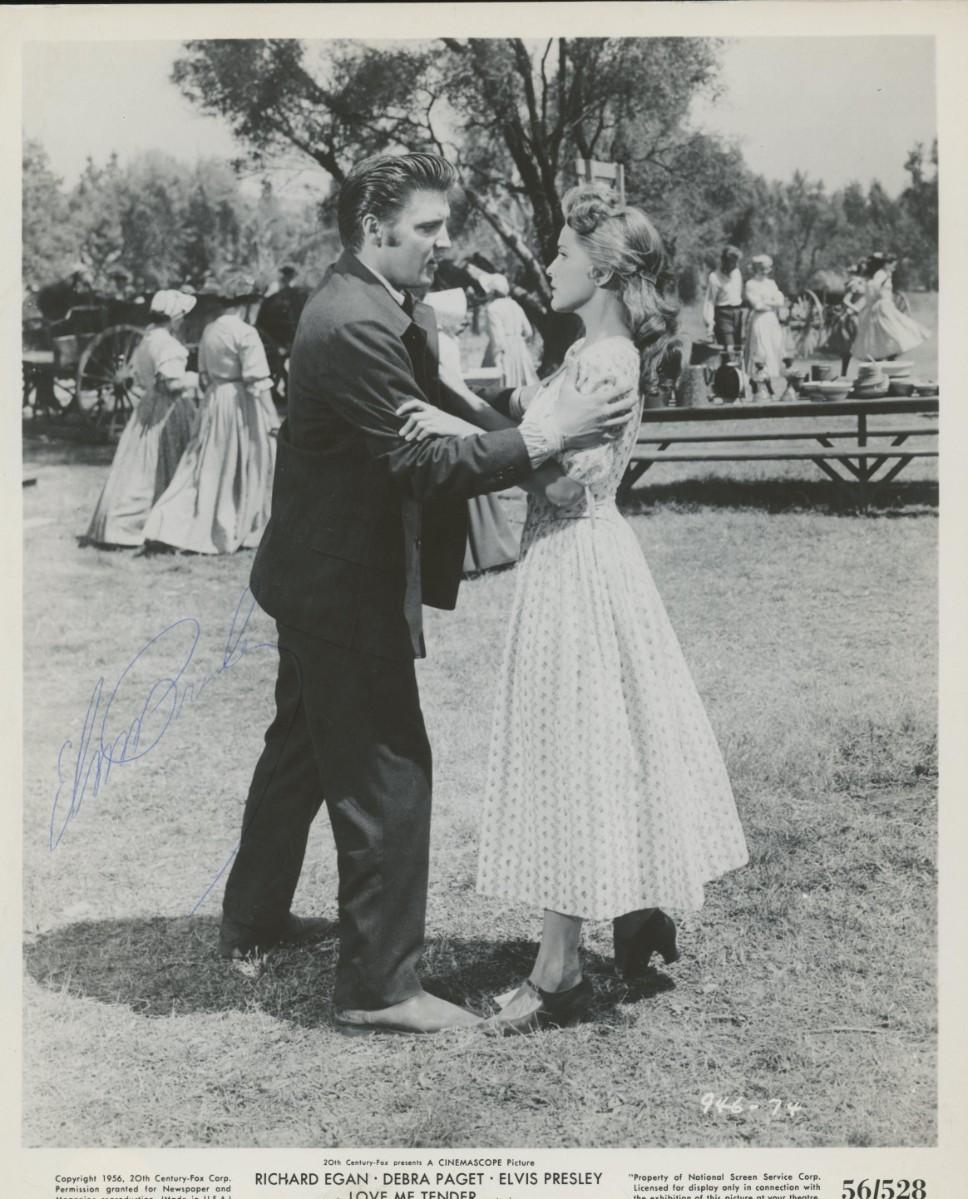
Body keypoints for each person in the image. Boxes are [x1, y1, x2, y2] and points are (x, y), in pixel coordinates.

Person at [218, 152, 634, 1037]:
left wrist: (530, 440)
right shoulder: (353, 322)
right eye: (430, 229)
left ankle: (252, 915)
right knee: (388, 770)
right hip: (341, 582)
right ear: (378, 229)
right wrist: (541, 442)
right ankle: (379, 988)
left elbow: (440, 399)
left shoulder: (370, 300)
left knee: (299, 744)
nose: (445, 244)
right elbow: (421, 457)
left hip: (311, 569)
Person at [400, 185, 749, 1033]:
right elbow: (525, 423)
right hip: (573, 559)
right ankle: (611, 924)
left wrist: (457, 432)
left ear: (599, 272)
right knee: (590, 748)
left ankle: (558, 970)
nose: (548, 266)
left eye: (560, 255)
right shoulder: (588, 352)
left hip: (578, 562)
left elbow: (557, 479)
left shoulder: (604, 362)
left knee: (574, 752)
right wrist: (445, 401)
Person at [143, 272, 277, 554]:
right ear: (247, 305)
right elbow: (257, 379)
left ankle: (170, 521)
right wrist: (271, 418)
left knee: (207, 462)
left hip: (214, 400)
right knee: (247, 460)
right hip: (240, 402)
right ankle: (234, 522)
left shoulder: (210, 330)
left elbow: (203, 375)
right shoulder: (245, 333)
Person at [84, 290, 198, 548]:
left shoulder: (146, 340)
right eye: (181, 316)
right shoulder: (168, 345)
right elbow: (172, 384)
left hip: (147, 407)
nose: (182, 321)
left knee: (139, 464)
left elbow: (138, 377)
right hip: (167, 409)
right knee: (167, 461)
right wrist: (198, 379)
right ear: (174, 317)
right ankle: (152, 524)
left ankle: (128, 523)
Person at [425, 288, 519, 575]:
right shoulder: (445, 342)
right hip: (450, 415)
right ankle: (486, 550)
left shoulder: (439, 342)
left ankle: (470, 555)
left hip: (446, 416)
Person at [467, 267, 540, 388]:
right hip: (519, 348)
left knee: (500, 385)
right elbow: (528, 331)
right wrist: (518, 342)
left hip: (504, 351)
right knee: (524, 382)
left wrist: (498, 360)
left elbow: (498, 338)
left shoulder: (493, 308)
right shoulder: (514, 304)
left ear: (493, 292)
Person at [852, 251, 929, 361]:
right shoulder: (881, 274)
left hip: (885, 305)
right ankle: (886, 358)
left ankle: (888, 357)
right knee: (889, 332)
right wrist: (879, 299)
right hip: (882, 307)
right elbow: (872, 290)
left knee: (894, 331)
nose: (894, 268)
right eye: (893, 265)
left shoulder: (884, 274)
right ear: (886, 264)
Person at [742, 254, 785, 384]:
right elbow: (757, 305)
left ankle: (771, 372)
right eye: (761, 268)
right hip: (759, 319)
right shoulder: (750, 284)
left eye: (767, 268)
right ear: (755, 268)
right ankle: (759, 372)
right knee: (760, 345)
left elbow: (780, 301)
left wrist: (767, 301)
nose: (764, 271)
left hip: (771, 319)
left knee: (774, 344)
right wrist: (771, 301)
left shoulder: (771, 283)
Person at [823, 261, 867, 377]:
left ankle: (866, 373)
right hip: (854, 317)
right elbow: (845, 301)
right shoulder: (854, 284)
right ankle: (845, 373)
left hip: (863, 315)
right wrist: (855, 309)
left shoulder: (864, 283)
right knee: (850, 347)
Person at [702, 245, 744, 350]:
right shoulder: (714, 277)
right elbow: (710, 301)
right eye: (732, 262)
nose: (735, 265)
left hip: (738, 313)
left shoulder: (737, 273)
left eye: (736, 262)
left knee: (738, 349)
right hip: (723, 315)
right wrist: (710, 324)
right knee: (729, 349)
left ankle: (735, 366)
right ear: (724, 261)